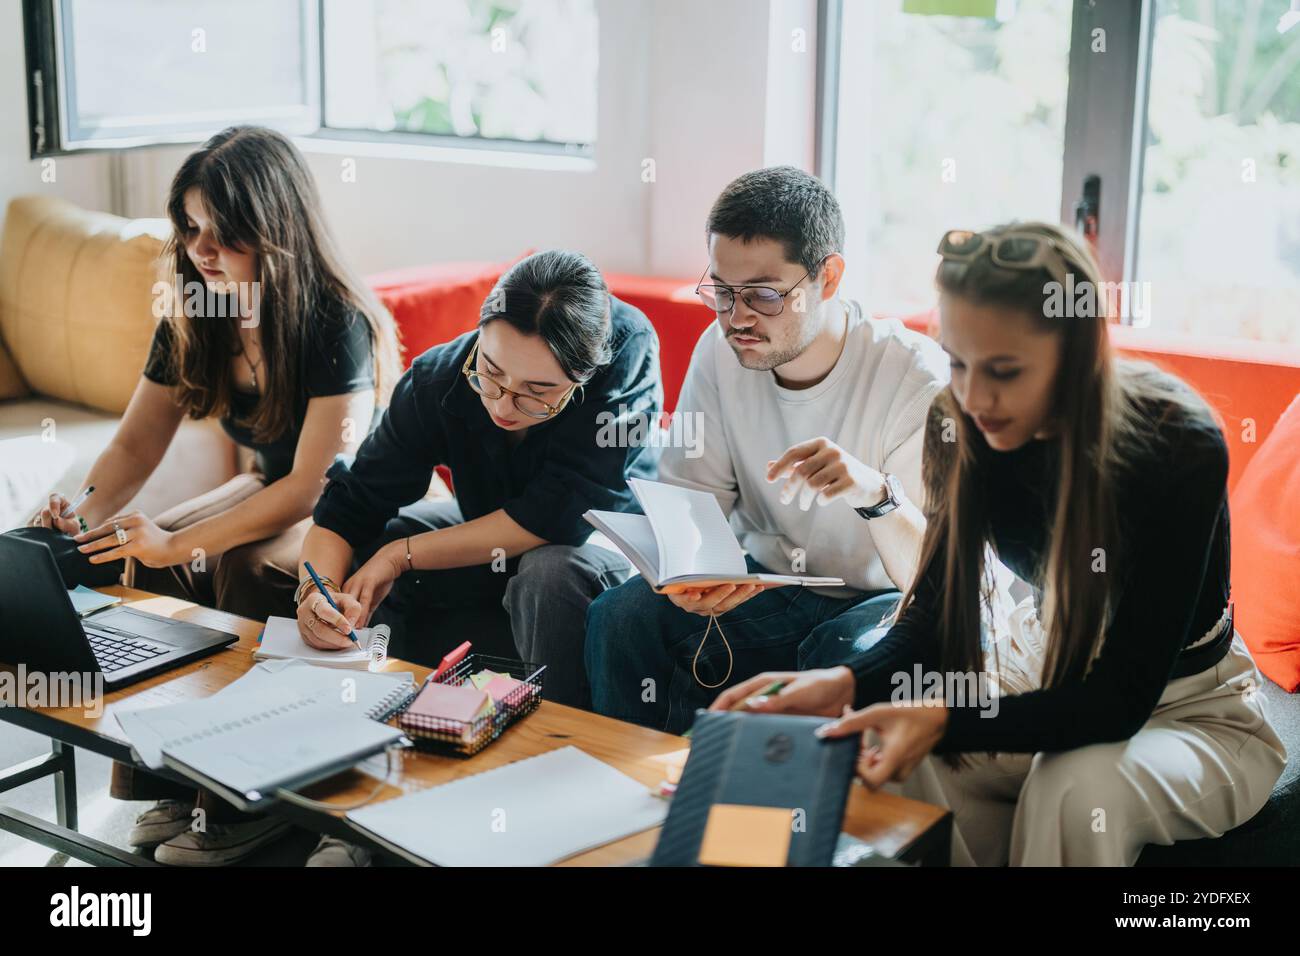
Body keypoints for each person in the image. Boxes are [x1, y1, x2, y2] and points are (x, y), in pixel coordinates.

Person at [715, 222, 1287, 866]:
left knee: (1073, 786)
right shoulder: (958, 425)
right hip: (1036, 671)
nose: (976, 398)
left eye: (1006, 371)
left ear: (1075, 357)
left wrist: (943, 719)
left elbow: (1118, 699)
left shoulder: (1173, 445)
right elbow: (935, 619)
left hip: (1187, 707)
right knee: (908, 761)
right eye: (958, 364)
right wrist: (842, 681)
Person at [32, 125, 402, 866]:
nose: (202, 250)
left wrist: (185, 541)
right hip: (270, 485)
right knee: (140, 546)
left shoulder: (337, 321)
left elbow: (311, 486)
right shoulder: (197, 309)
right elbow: (137, 444)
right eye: (192, 228)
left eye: (224, 234)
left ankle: (246, 799)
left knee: (242, 568)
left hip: (347, 505)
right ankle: (174, 777)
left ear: (274, 229)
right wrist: (83, 509)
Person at [584, 166, 948, 735]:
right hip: (768, 584)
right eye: (723, 293)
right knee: (622, 615)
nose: (737, 318)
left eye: (763, 295)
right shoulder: (720, 349)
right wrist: (700, 574)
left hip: (878, 598)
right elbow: (693, 502)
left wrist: (873, 494)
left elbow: (931, 576)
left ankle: (791, 817)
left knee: (844, 650)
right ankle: (636, 801)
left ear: (828, 278)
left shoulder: (913, 376)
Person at [296, 249, 662, 713]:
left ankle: (558, 742)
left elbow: (561, 515)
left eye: (539, 391)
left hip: (603, 536)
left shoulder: (627, 347)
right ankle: (377, 712)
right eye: (490, 371)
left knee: (548, 574)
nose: (503, 407)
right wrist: (316, 591)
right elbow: (353, 504)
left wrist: (401, 558)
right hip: (491, 523)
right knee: (377, 544)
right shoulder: (439, 377)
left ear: (583, 377)